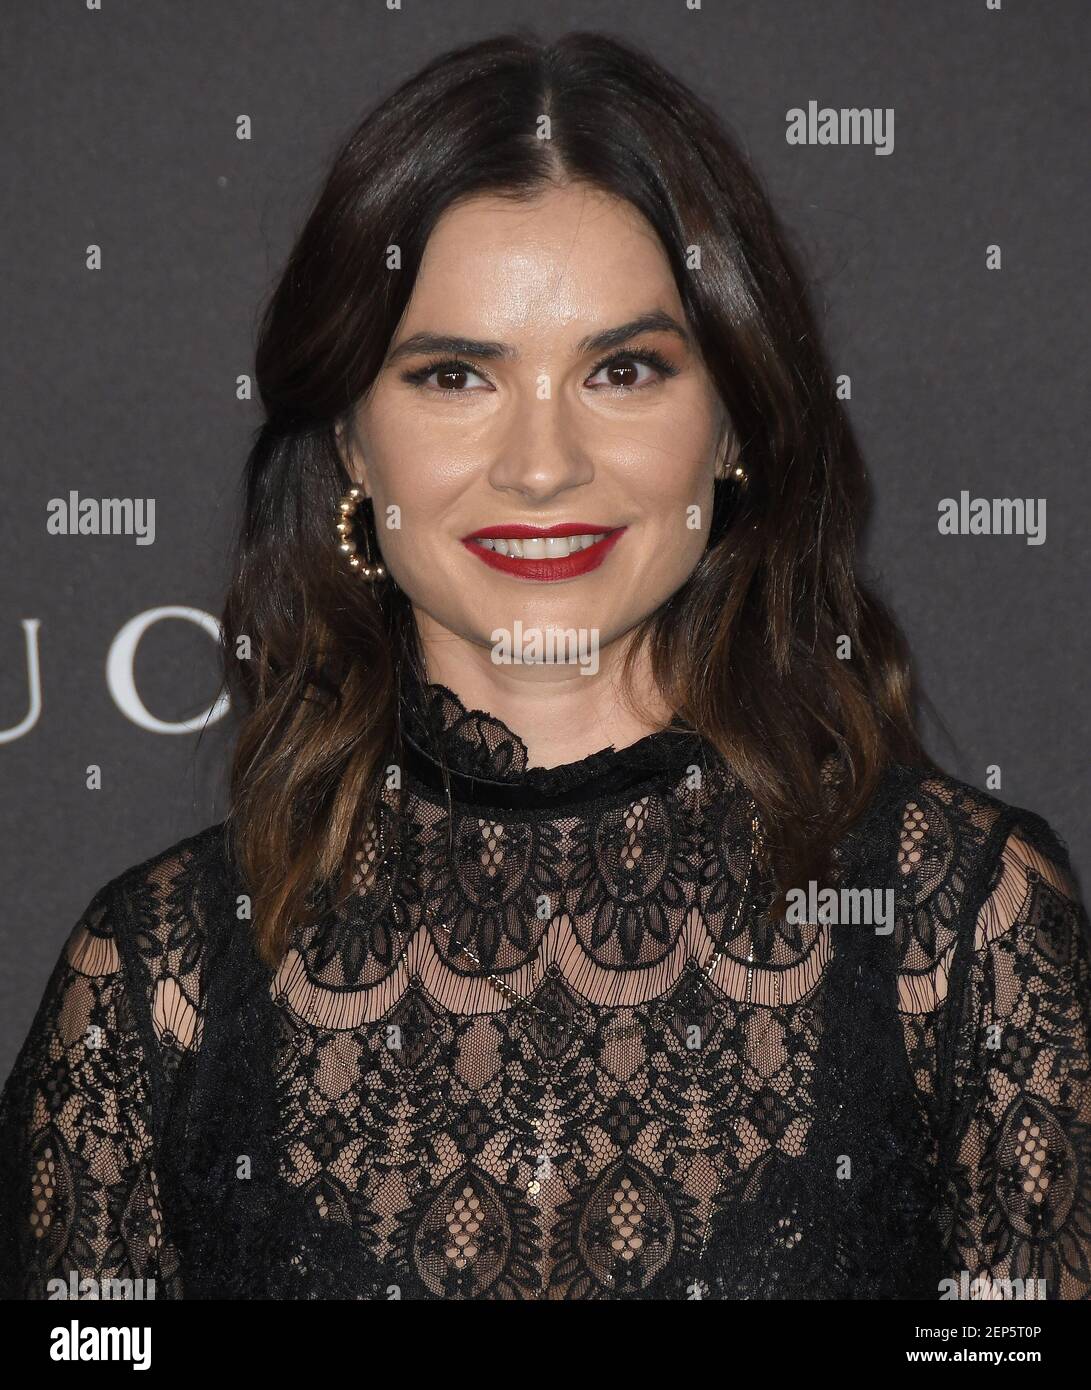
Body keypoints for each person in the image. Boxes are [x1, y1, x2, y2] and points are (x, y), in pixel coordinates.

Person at [1, 30, 1088, 1301]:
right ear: (351, 437)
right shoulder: (154, 983)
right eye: (454, 373)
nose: (540, 464)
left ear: (732, 417)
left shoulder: (960, 933)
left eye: (621, 369)